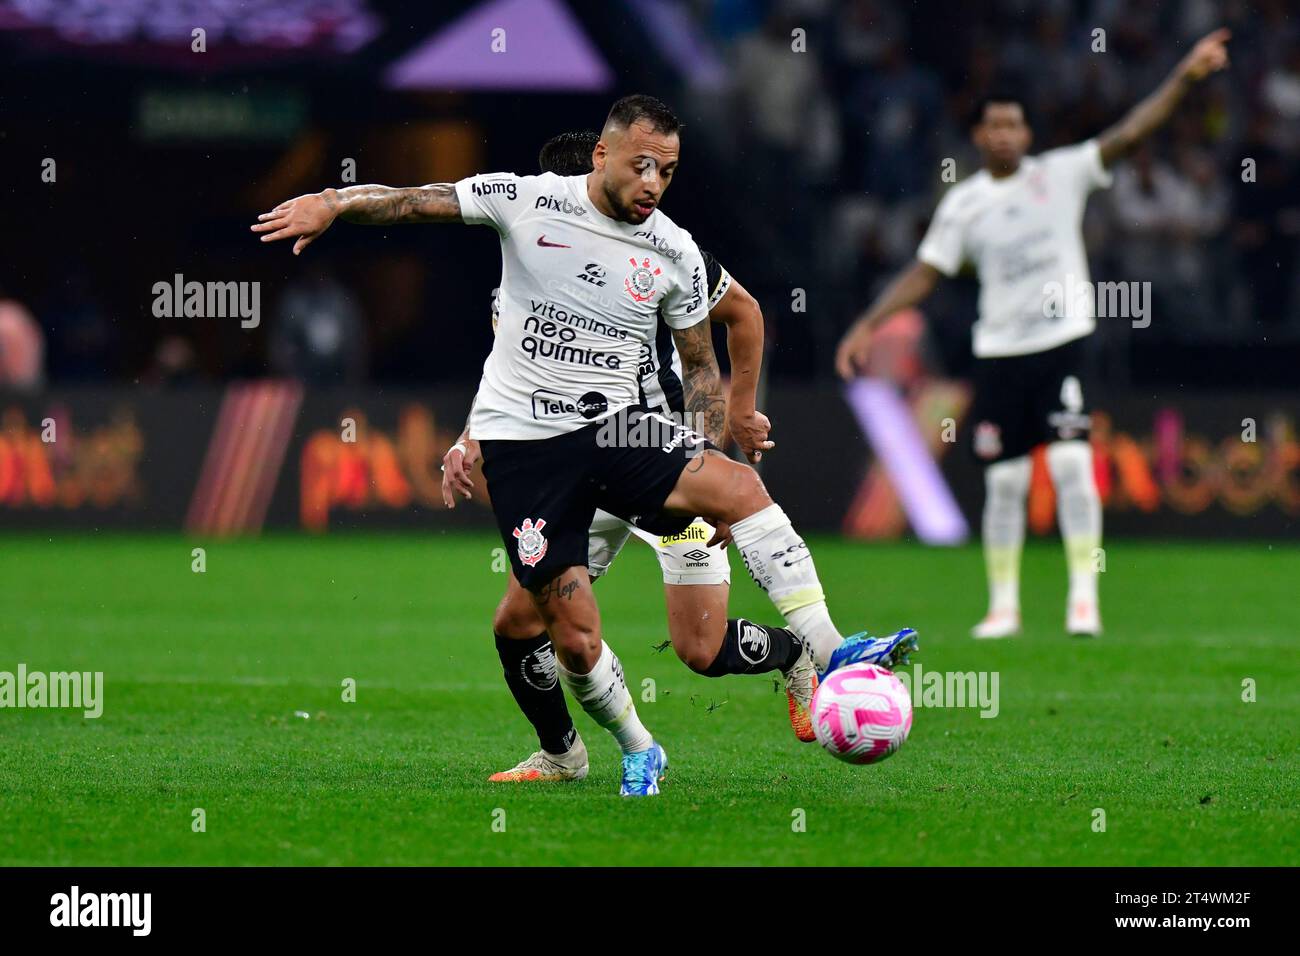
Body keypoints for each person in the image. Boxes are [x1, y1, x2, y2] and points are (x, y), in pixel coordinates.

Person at [254, 94, 917, 796]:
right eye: (641, 167)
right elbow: (421, 205)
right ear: (599, 161)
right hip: (538, 457)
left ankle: (822, 650)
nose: (653, 184)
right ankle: (582, 753)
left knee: (705, 629)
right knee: (531, 628)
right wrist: (334, 202)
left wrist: (715, 447)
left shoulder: (675, 250)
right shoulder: (527, 209)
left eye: (666, 170)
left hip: (629, 437)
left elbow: (708, 355)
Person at [441, 130, 821, 786]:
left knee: (700, 650)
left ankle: (795, 653)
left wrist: (732, 420)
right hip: (572, 468)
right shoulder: (525, 272)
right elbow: (515, 377)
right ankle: (564, 754)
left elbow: (746, 315)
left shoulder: (665, 249)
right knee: (520, 623)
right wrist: (469, 438)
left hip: (651, 459)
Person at [835, 29, 1231, 639]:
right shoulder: (964, 204)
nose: (1003, 135)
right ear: (978, 136)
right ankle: (1003, 607)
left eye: (1014, 126)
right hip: (999, 354)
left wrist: (1184, 76)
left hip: (1062, 344)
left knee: (1073, 467)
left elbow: (1130, 133)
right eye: (993, 126)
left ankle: (1082, 601)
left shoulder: (1062, 173)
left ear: (1027, 133)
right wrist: (868, 323)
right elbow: (925, 272)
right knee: (1006, 481)